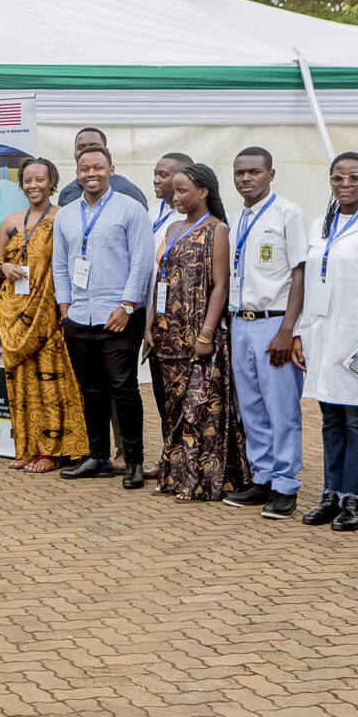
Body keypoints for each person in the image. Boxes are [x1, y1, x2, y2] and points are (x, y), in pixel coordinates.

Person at [294, 152, 358, 533]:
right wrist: (300, 333)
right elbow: (308, 281)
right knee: (330, 417)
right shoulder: (320, 224)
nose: (345, 185)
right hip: (323, 334)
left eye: (354, 177)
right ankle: (333, 492)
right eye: (338, 178)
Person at [148, 164, 249, 501]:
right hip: (167, 335)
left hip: (198, 335)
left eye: (182, 191)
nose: (175, 197)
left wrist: (206, 335)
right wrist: (150, 321)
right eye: (173, 191)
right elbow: (159, 279)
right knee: (173, 408)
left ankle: (203, 477)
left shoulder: (216, 229)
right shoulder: (173, 227)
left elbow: (220, 286)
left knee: (200, 409)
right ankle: (176, 474)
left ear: (203, 192)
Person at [53, 144, 153, 487]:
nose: (90, 174)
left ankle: (134, 462)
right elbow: (60, 266)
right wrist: (65, 311)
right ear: (77, 173)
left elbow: (141, 262)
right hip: (80, 316)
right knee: (90, 390)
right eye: (84, 169)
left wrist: (127, 306)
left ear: (111, 169)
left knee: (123, 389)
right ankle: (97, 457)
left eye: (97, 167)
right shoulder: (66, 214)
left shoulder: (130, 209)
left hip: (118, 316)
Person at [220, 147, 310, 519]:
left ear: (271, 174)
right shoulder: (238, 218)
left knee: (281, 407)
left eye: (254, 172)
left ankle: (286, 485)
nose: (245, 178)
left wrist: (288, 329)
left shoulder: (289, 214)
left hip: (274, 322)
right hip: (240, 322)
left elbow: (299, 274)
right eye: (240, 172)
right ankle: (262, 476)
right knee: (252, 406)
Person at [0, 158, 87, 473]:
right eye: (28, 180)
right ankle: (28, 447)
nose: (33, 185)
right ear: (21, 183)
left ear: (52, 181)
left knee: (51, 382)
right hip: (15, 316)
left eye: (40, 179)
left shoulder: (64, 217)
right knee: (21, 384)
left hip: (49, 316)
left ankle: (52, 452)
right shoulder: (10, 222)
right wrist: (3, 268)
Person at [141, 152, 193, 435]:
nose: (156, 179)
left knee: (184, 393)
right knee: (163, 395)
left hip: (181, 321)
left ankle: (190, 460)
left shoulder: (193, 219)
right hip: (153, 317)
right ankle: (169, 459)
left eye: (164, 174)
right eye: (156, 173)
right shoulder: (154, 211)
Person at [56, 128, 149, 209]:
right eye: (81, 147)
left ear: (106, 151)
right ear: (74, 153)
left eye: (94, 146)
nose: (87, 151)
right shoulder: (67, 194)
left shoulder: (127, 190)